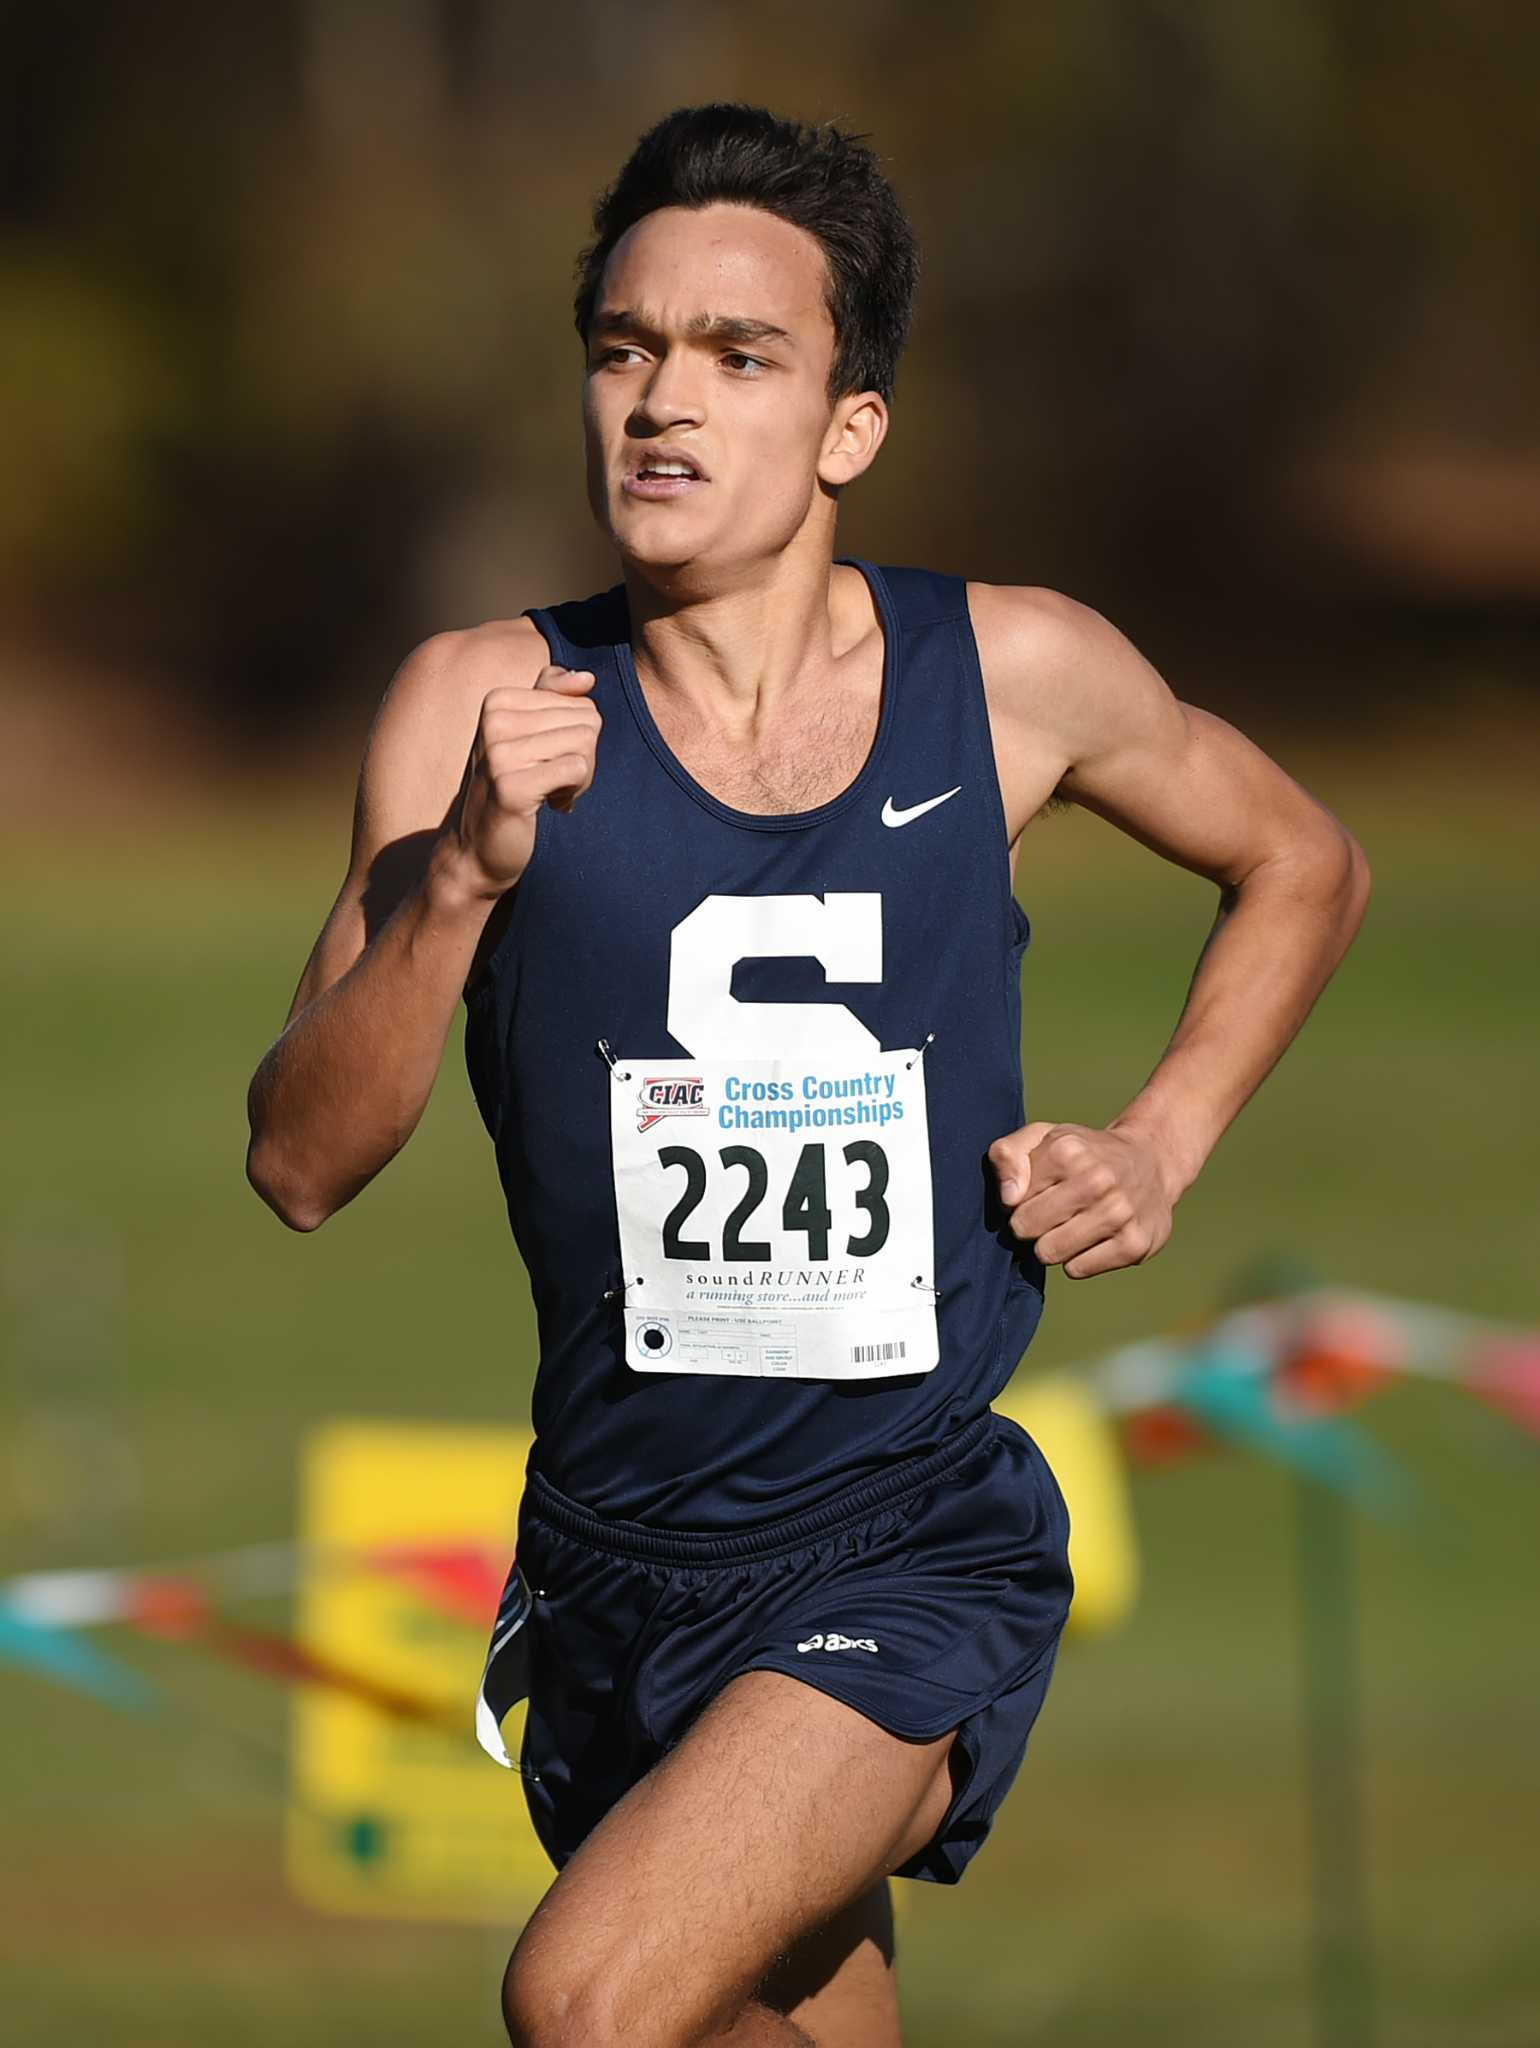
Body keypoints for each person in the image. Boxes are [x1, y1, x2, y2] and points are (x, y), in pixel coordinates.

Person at [246, 102, 1371, 2048]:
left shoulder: (1006, 671)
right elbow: (300, 1160)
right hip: (611, 1567)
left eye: (736, 354)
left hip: (904, 1541)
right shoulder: (470, 703)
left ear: (848, 421)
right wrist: (460, 881)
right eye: (623, 349)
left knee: (589, 2002)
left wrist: (1158, 1139)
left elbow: (1303, 860)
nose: (658, 403)